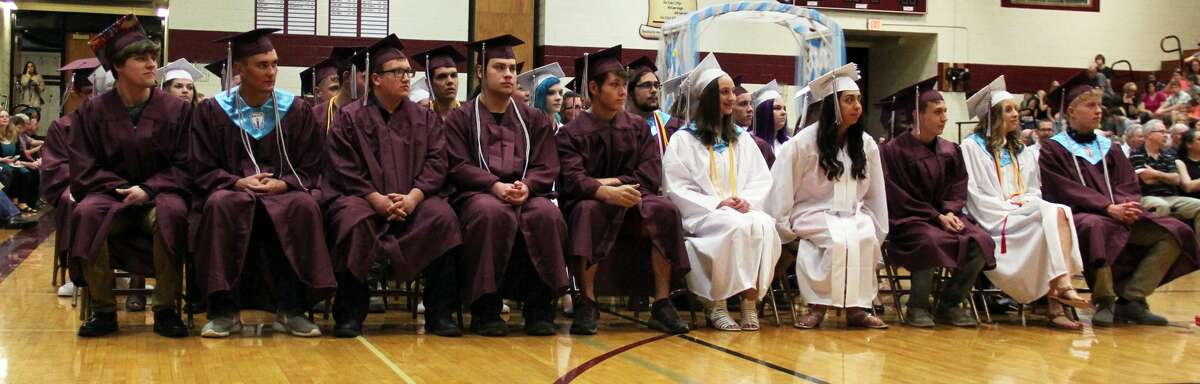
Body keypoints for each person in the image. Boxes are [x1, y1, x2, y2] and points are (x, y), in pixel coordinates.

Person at [191, 28, 334, 338]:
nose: (271, 72)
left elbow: (312, 163)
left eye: (274, 64)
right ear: (240, 69)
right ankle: (224, 312)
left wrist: (284, 185)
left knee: (304, 205)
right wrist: (236, 182)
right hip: (233, 190)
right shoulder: (213, 111)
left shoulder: (295, 109)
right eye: (262, 65)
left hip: (282, 189)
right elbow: (200, 164)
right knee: (220, 205)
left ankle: (292, 310)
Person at [323, 34, 463, 338]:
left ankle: (440, 313)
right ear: (375, 79)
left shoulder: (424, 118)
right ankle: (349, 313)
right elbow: (343, 168)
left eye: (407, 72)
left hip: (414, 201)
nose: (405, 78)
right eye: (397, 72)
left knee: (443, 217)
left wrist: (413, 198)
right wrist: (376, 199)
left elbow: (438, 162)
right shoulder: (349, 118)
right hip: (363, 200)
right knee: (351, 219)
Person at [1039, 70, 1199, 326]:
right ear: (1070, 112)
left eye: (1099, 105)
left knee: (1175, 232)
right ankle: (1105, 299)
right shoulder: (1053, 149)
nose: (1098, 111)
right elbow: (1064, 189)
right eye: (1090, 106)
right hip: (1079, 216)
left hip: (1119, 212)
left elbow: (1127, 182)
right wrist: (1107, 207)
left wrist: (1128, 205)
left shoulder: (1109, 147)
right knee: (1095, 226)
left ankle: (1131, 298)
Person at [69, 14, 191, 338]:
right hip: (110, 195)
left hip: (159, 196)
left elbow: (186, 163)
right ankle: (104, 311)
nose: (153, 64)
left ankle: (166, 309)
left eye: (153, 57)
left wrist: (148, 189)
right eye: (141, 58)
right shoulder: (92, 112)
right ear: (119, 66)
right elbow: (83, 166)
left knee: (173, 213)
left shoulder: (176, 111)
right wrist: (122, 189)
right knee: (85, 214)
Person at [444, 35, 568, 337]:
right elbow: (457, 164)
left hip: (526, 192)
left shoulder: (533, 118)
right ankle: (486, 309)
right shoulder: (461, 118)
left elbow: (547, 164)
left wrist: (528, 186)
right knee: (491, 214)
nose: (509, 74)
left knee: (546, 216)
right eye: (499, 67)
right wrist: (493, 186)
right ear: (480, 73)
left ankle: (539, 308)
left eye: (512, 68)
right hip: (477, 195)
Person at [661, 54, 780, 331]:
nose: (730, 97)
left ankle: (749, 302)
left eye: (731, 92)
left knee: (763, 225)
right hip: (704, 215)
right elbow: (676, 187)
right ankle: (718, 304)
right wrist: (718, 202)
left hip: (742, 209)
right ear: (707, 97)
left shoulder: (742, 139)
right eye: (724, 92)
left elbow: (761, 179)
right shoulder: (683, 140)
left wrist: (745, 200)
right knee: (733, 226)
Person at [767, 63, 889, 329]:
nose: (857, 106)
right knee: (836, 241)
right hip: (813, 213)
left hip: (852, 214)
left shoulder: (865, 144)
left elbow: (875, 192)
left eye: (858, 99)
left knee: (864, 236)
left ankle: (858, 308)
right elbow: (782, 185)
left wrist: (877, 224)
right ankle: (817, 306)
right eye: (849, 100)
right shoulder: (804, 142)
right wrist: (784, 226)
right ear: (833, 105)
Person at [962, 76, 1089, 330]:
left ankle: (1058, 296)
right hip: (995, 220)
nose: (1015, 115)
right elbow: (974, 194)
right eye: (1008, 110)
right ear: (992, 115)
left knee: (1056, 214)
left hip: (1024, 214)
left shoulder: (1021, 149)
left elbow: (1034, 189)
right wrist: (1013, 207)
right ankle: (1059, 296)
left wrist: (1026, 202)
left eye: (1016, 109)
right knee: (1054, 213)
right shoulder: (972, 148)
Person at [880, 76, 995, 328]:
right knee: (930, 241)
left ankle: (949, 304)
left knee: (981, 241)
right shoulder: (893, 151)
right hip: (909, 219)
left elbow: (958, 186)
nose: (944, 118)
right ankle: (917, 307)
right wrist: (935, 216)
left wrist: (949, 211)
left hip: (945, 217)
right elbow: (896, 194)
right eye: (937, 112)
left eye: (945, 111)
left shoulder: (950, 150)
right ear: (917, 115)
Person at [43, 59, 101, 297]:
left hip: (107, 186)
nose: (94, 98)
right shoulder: (62, 126)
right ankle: (74, 272)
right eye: (88, 93)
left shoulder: (114, 124)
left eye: (98, 92)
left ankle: (124, 271)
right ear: (77, 93)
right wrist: (86, 181)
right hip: (76, 185)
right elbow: (55, 166)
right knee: (70, 200)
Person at [1128, 121, 1200, 236]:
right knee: (1161, 205)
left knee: (1199, 205)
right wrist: (1166, 177)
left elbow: (1176, 179)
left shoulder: (1168, 155)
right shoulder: (1136, 155)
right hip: (1147, 197)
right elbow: (1147, 180)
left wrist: (1155, 173)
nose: (1166, 135)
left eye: (1166, 132)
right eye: (1162, 132)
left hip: (1172, 197)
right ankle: (1164, 241)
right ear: (1149, 135)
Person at [625, 56, 680, 156]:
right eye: (646, 85)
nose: (654, 90)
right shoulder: (617, 127)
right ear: (629, 92)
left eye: (656, 85)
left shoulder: (672, 126)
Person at [310, 46, 366, 135]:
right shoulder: (315, 117)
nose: (370, 83)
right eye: (364, 77)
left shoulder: (371, 115)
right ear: (347, 77)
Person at [411, 45, 466, 121]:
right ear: (429, 83)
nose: (450, 81)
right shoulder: (419, 118)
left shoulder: (468, 116)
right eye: (442, 76)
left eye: (454, 75)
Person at [0, 113, 40, 213]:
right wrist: (3, 160)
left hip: (11, 162)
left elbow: (18, 154)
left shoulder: (13, 135)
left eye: (6, 116)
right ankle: (12, 202)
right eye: (2, 117)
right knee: (9, 172)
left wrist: (17, 161)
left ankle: (22, 202)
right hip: (2, 163)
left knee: (24, 172)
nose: (5, 118)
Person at [516, 62, 569, 130]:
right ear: (539, 96)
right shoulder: (526, 130)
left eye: (560, 93)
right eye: (551, 93)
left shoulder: (564, 131)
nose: (558, 98)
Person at [749, 80, 788, 166]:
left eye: (784, 108)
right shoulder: (749, 142)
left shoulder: (789, 143)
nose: (783, 112)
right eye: (777, 108)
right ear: (763, 112)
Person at [1175, 129, 1200, 199]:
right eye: (1199, 139)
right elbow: (1188, 187)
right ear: (1189, 144)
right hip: (1192, 202)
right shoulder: (1179, 162)